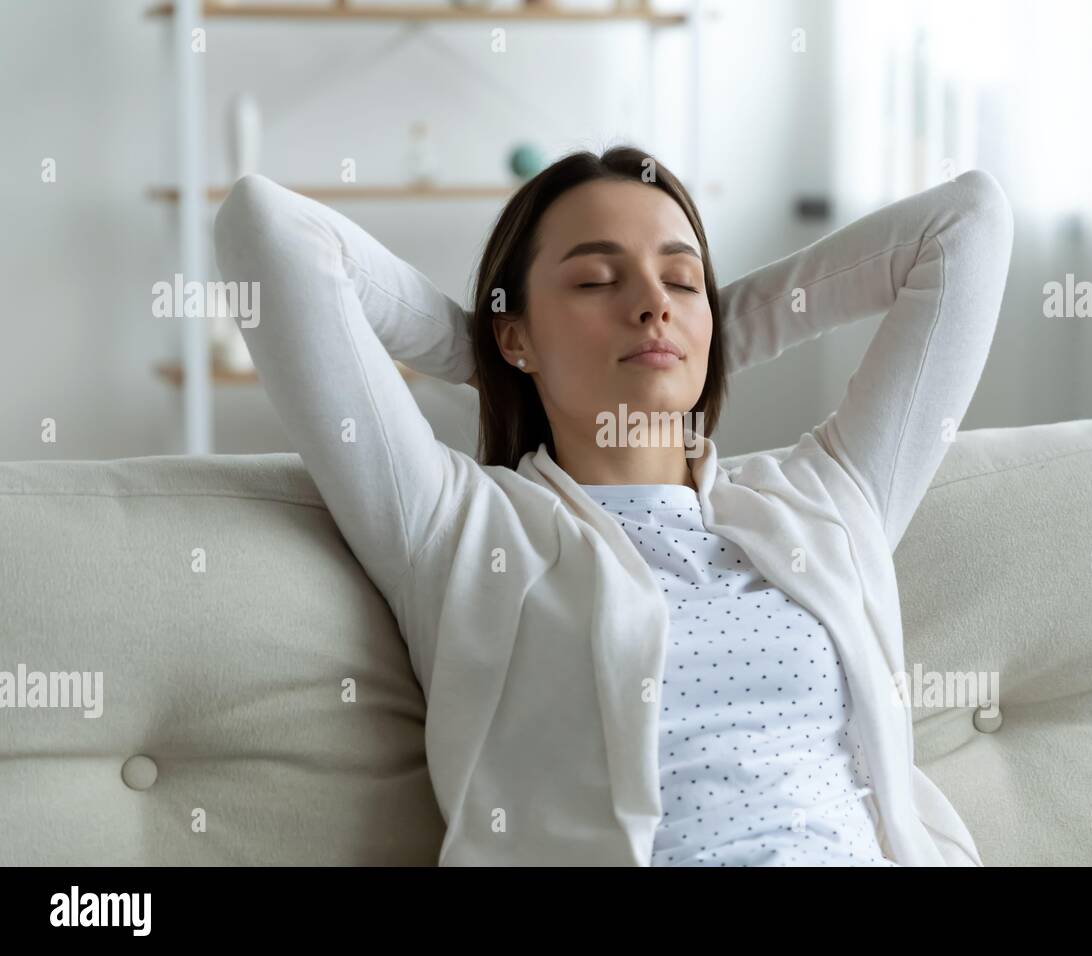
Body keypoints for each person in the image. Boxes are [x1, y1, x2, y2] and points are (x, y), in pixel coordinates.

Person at [212, 145, 1014, 866]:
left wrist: (705, 331)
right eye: (596, 280)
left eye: (681, 278)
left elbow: (966, 224)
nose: (650, 302)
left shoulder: (824, 501)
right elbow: (269, 232)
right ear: (515, 331)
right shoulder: (460, 528)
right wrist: (483, 349)